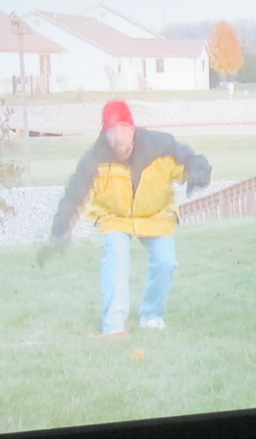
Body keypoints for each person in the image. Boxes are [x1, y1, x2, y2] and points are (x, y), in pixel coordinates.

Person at [42, 100, 211, 337]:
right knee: (117, 258)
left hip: (156, 214)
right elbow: (74, 195)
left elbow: (192, 160)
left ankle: (152, 315)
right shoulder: (94, 158)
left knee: (166, 261)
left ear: (133, 128)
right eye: (112, 130)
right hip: (115, 217)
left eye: (123, 128)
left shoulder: (161, 145)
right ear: (105, 133)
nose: (118, 136)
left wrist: (198, 172)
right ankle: (113, 326)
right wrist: (61, 228)